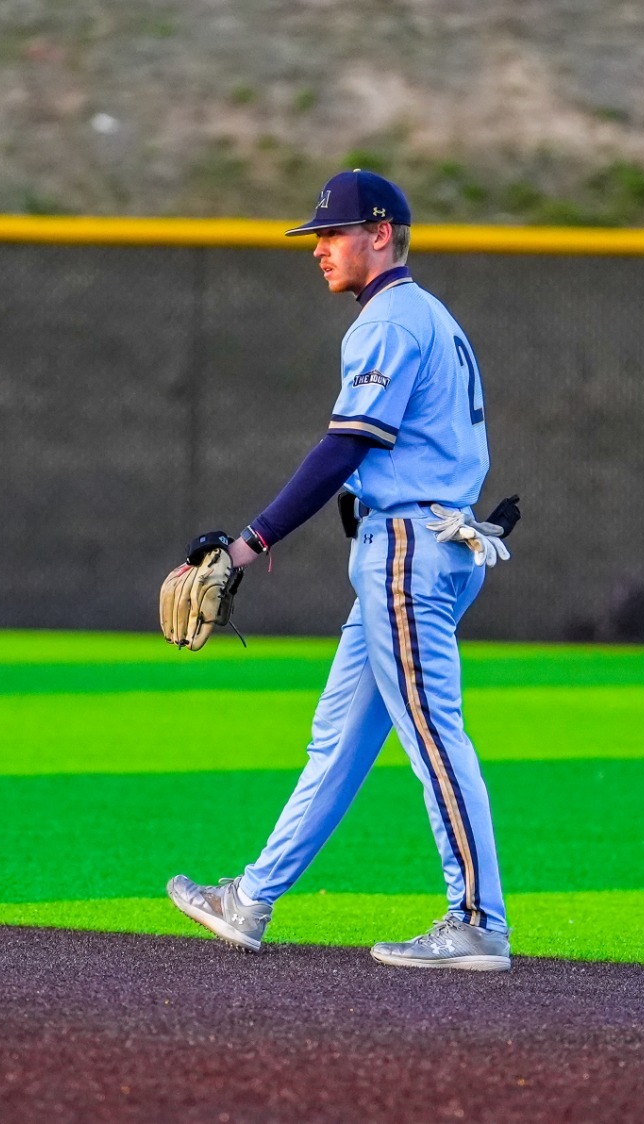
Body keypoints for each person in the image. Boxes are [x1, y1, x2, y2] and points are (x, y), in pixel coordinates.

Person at [166, 170, 514, 971]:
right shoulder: (430, 315)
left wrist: (252, 540)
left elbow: (345, 445)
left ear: (381, 233)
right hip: (430, 545)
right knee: (339, 739)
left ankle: (477, 920)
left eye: (333, 234)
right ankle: (251, 899)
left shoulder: (389, 320)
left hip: (407, 554)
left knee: (433, 735)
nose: (319, 249)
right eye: (317, 236)